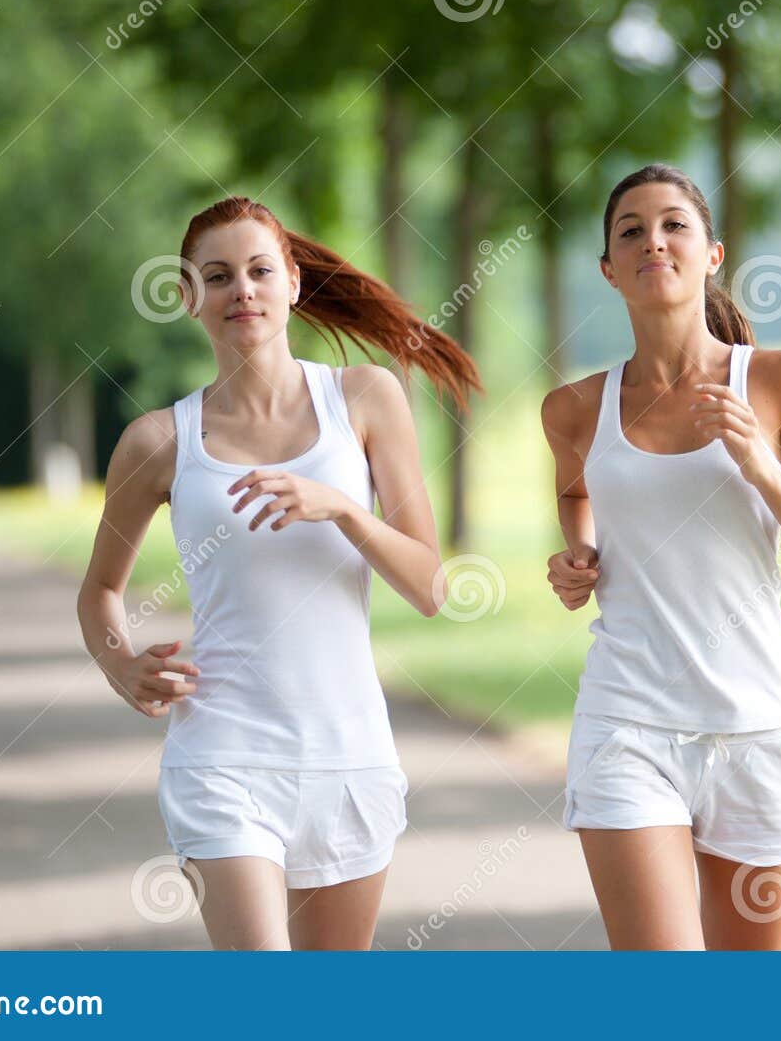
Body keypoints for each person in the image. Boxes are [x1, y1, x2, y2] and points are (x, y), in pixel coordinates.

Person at [77, 196, 480, 950]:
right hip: (222, 753)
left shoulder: (362, 398)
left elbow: (430, 586)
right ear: (189, 296)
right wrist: (119, 663)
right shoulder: (159, 441)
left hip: (347, 752)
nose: (244, 291)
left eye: (261, 270)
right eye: (219, 276)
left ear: (293, 282)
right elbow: (101, 588)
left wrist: (344, 510)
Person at [540, 164, 781, 950]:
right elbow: (576, 492)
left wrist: (760, 466)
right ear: (608, 270)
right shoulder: (575, 408)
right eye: (631, 230)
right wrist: (578, 556)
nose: (654, 239)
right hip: (628, 723)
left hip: (755, 725)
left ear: (712, 253)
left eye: (674, 224)